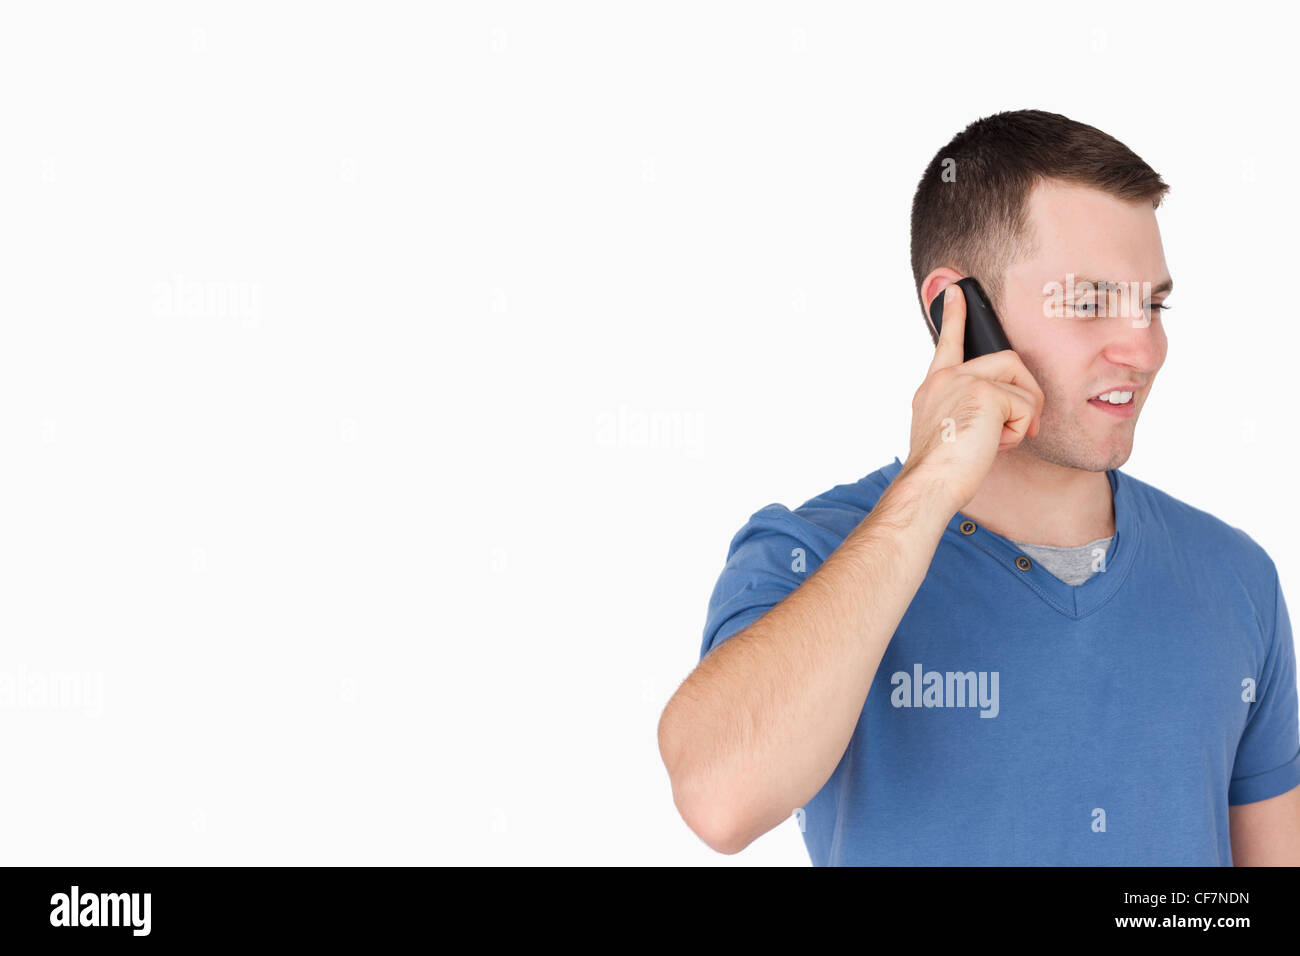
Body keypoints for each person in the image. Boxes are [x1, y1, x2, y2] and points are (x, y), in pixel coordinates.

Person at [657, 109, 1300, 865]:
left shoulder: (1235, 575)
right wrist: (932, 480)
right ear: (955, 308)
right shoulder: (810, 553)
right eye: (1088, 302)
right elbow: (720, 804)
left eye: (1152, 304)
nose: (1144, 348)